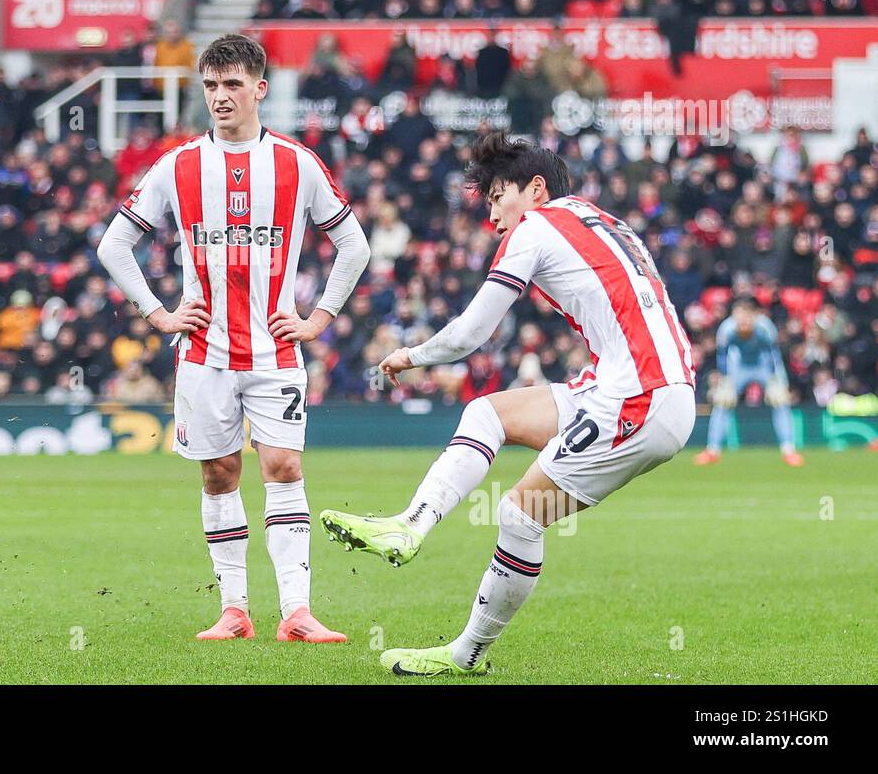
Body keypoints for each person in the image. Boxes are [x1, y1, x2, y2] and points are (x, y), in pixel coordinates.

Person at [319, 132, 695, 676]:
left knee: (520, 514)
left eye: (498, 196)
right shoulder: (604, 221)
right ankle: (411, 524)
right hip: (637, 387)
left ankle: (466, 653)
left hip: (640, 398)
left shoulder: (537, 226)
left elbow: (473, 332)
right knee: (487, 412)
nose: (492, 213)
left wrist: (412, 354)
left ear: (535, 189)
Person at [97, 34, 370, 643]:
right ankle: (235, 609)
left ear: (259, 89)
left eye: (233, 85)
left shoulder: (297, 164)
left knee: (283, 465)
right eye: (211, 86)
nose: (220, 97)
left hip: (276, 348)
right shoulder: (179, 165)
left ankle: (297, 612)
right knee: (220, 474)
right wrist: (158, 314)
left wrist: (320, 318)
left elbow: (355, 244)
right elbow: (112, 245)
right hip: (203, 352)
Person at [695, 299, 803, 467]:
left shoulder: (765, 327)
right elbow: (723, 355)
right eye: (739, 317)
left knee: (780, 401)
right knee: (723, 403)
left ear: (754, 316)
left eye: (746, 317)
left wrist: (775, 380)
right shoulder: (727, 329)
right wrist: (725, 379)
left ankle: (789, 450)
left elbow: (773, 353)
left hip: (763, 365)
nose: (743, 321)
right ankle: (712, 450)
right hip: (739, 366)